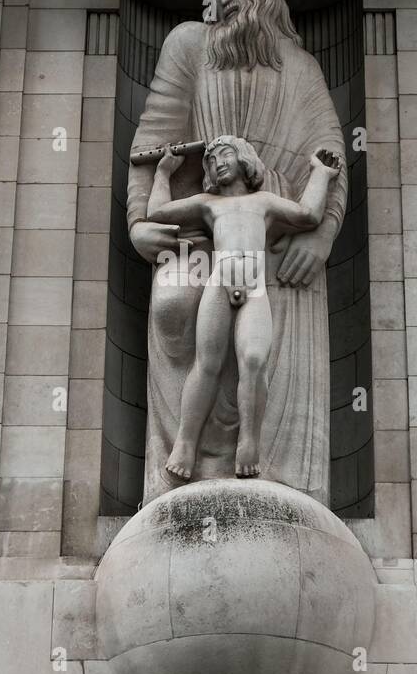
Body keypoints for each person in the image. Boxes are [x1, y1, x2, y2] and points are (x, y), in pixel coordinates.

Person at [127, 0, 349, 504]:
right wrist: (137, 220)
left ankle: (272, 476)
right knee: (177, 310)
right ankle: (184, 466)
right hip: (200, 240)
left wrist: (322, 235)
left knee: (256, 355)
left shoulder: (302, 67)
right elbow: (154, 141)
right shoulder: (188, 45)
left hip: (279, 253)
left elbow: (328, 151)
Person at [145, 136, 341, 479]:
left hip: (254, 287)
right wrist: (163, 172)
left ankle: (249, 442)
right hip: (219, 283)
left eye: (226, 155)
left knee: (253, 360)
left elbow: (309, 215)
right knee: (207, 363)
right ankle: (185, 444)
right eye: (211, 160)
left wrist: (320, 174)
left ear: (244, 159)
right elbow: (157, 213)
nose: (218, 163)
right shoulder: (208, 204)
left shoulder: (264, 202)